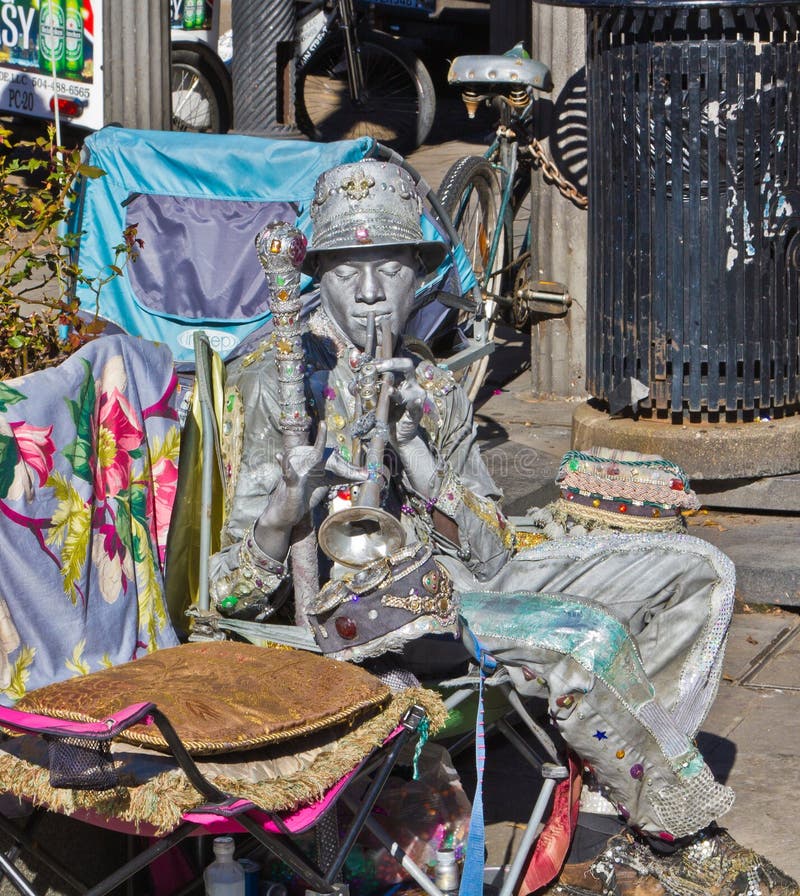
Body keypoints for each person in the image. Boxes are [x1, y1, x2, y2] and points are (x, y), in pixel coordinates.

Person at [208, 160, 798, 896]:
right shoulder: (280, 381)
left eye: (390, 267)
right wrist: (282, 509)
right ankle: (677, 835)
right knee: (584, 639)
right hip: (366, 616)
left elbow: (491, 550)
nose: (370, 293)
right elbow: (229, 592)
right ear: (317, 277)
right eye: (347, 270)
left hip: (463, 581)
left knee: (698, 573)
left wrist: (419, 454)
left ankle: (613, 817)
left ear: (418, 276)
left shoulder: (428, 378)